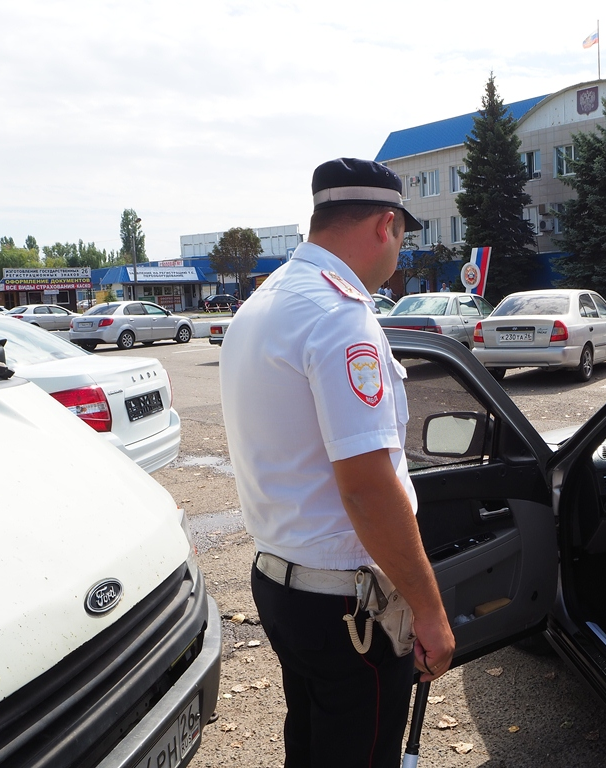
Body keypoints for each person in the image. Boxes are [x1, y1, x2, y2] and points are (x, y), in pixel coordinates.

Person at [220, 157, 455, 768]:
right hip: (348, 609)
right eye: (402, 236)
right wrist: (429, 612)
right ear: (385, 225)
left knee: (315, 742)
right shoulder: (341, 317)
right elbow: (369, 488)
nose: (399, 253)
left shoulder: (264, 303)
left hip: (280, 582)